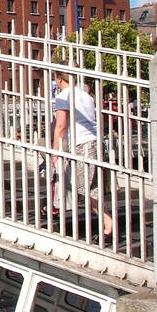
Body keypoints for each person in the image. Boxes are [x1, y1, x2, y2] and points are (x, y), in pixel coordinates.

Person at [52, 70, 113, 238]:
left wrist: (55, 150)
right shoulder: (85, 95)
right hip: (96, 142)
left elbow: (61, 125)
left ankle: (108, 221)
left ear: (58, 78)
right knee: (90, 186)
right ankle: (106, 222)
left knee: (85, 187)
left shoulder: (64, 96)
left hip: (82, 144)